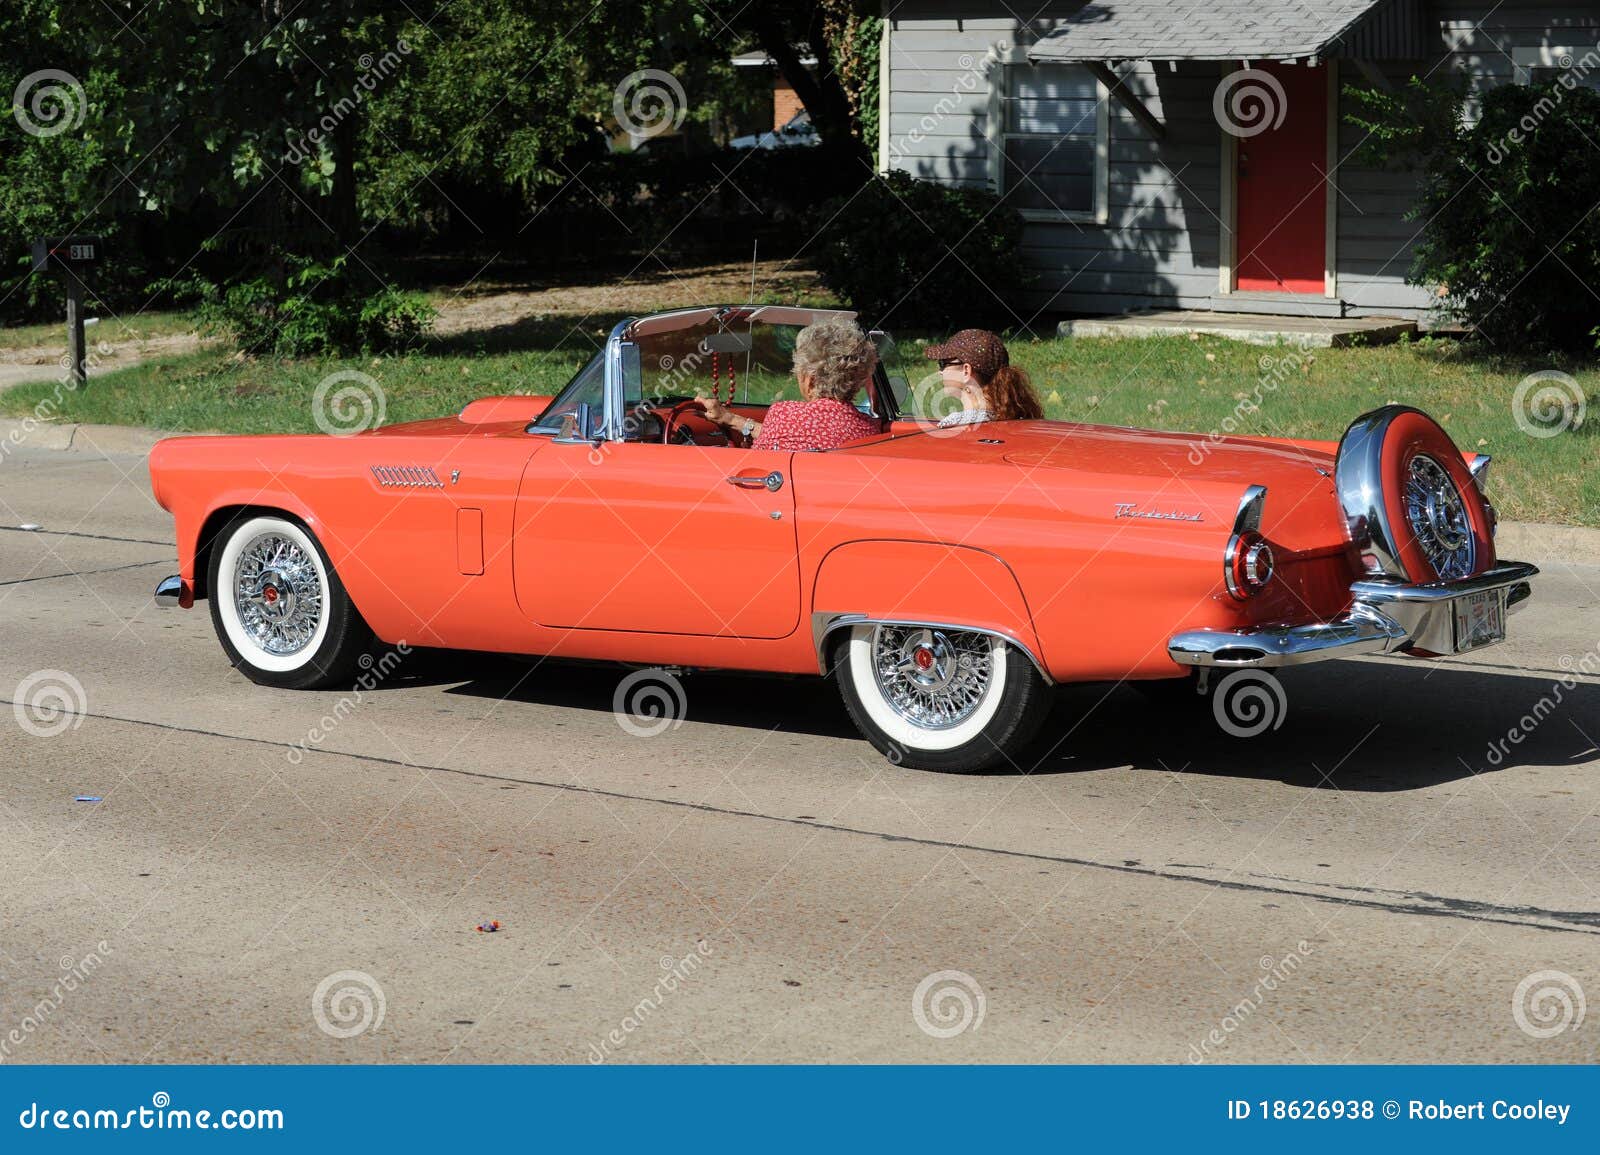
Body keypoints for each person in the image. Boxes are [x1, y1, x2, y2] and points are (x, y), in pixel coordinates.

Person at [701, 317, 881, 450]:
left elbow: (781, 434)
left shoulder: (784, 415)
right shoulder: (868, 429)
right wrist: (731, 419)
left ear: (810, 380)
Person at [923, 329, 1043, 426]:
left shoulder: (954, 425)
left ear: (966, 371)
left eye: (943, 364)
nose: (940, 372)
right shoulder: (1020, 418)